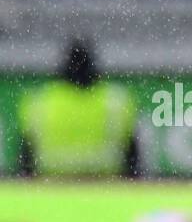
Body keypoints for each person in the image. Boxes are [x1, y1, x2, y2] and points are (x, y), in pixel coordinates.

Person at [17, 40, 138, 178]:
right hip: (105, 189)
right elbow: (133, 159)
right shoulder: (116, 101)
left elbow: (25, 159)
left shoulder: (40, 102)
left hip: (50, 189)